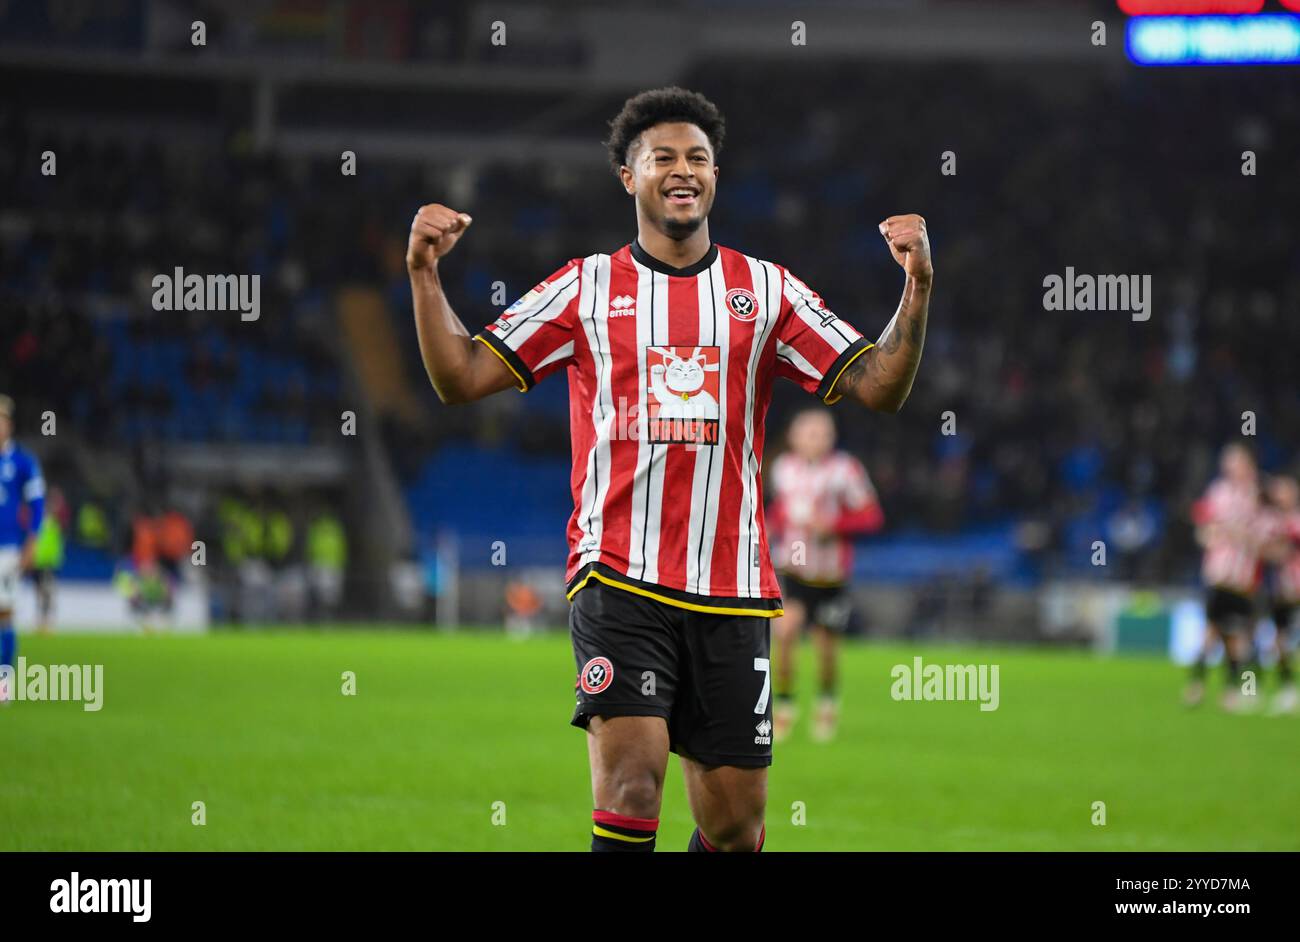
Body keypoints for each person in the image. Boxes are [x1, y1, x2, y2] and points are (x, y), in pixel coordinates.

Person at [407, 87, 931, 851]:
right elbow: (458, 375)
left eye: (697, 158)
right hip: (620, 576)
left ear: (716, 174)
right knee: (631, 783)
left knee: (736, 826)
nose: (682, 171)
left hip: (732, 589)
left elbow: (881, 384)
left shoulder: (767, 291)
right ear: (629, 176)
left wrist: (916, 287)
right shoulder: (584, 288)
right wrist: (425, 275)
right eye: (663, 158)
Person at [768, 408, 883, 742]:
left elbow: (871, 516)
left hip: (830, 576)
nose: (815, 439)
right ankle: (785, 707)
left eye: (822, 432)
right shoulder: (783, 469)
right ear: (794, 437)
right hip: (793, 569)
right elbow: (780, 509)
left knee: (825, 648)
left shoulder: (845, 470)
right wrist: (770, 525)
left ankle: (826, 703)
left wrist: (834, 526)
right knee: (786, 634)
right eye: (808, 432)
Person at [1186, 444, 1266, 711]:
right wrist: (1208, 535)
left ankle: (1233, 691)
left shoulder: (1257, 494)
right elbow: (1203, 527)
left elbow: (1263, 531)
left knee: (1234, 637)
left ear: (1248, 465)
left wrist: (1240, 535)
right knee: (1209, 633)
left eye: (1236, 462)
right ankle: (1196, 686)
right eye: (1228, 462)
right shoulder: (1218, 491)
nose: (1230, 467)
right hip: (1218, 575)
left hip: (1242, 579)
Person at [0, 395, 45, 702]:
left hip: (8, 550)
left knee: (4, 615)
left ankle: (3, 684)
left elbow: (37, 504)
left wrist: (32, 541)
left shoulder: (23, 462)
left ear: (9, 425)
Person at [1260, 474, 1299, 714]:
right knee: (1280, 640)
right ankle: (1287, 690)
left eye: (1283, 490)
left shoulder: (1295, 520)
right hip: (1281, 590)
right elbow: (1268, 552)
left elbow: (1283, 551)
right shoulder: (1271, 522)